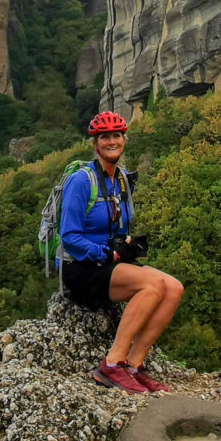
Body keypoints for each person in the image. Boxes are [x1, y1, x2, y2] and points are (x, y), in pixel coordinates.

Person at [59, 110, 185, 394]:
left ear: (123, 140)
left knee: (174, 288)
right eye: (105, 137)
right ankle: (112, 364)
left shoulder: (123, 180)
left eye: (117, 135)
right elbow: (69, 236)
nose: (112, 141)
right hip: (81, 268)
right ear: (95, 144)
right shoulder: (82, 181)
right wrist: (105, 252)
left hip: (108, 262)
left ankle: (134, 366)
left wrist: (125, 246)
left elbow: (116, 224)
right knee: (151, 287)